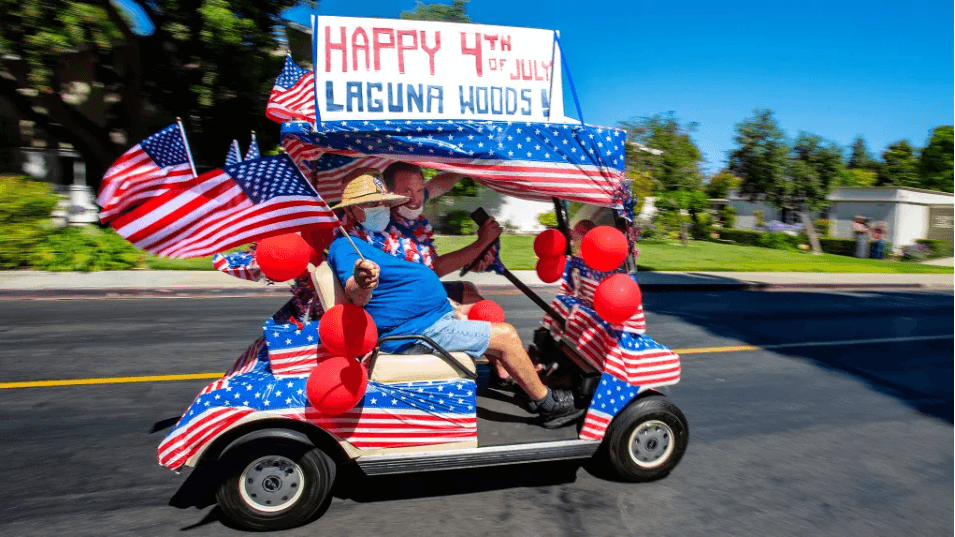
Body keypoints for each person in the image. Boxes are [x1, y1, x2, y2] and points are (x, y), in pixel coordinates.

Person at [325, 174, 585, 429]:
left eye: (382, 203)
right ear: (351, 210)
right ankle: (547, 403)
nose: (380, 209)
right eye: (371, 204)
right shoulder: (347, 246)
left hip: (426, 318)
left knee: (476, 303)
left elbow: (435, 189)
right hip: (414, 333)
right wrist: (362, 281)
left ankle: (514, 374)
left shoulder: (374, 238)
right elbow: (356, 291)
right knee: (506, 335)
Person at [381, 162, 501, 306]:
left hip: (417, 288)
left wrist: (467, 168)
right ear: (388, 192)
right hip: (402, 298)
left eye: (419, 191)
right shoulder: (383, 223)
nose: (415, 200)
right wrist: (482, 243)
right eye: (406, 192)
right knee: (477, 303)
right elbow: (435, 268)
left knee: (468, 287)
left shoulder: (406, 210)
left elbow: (437, 185)